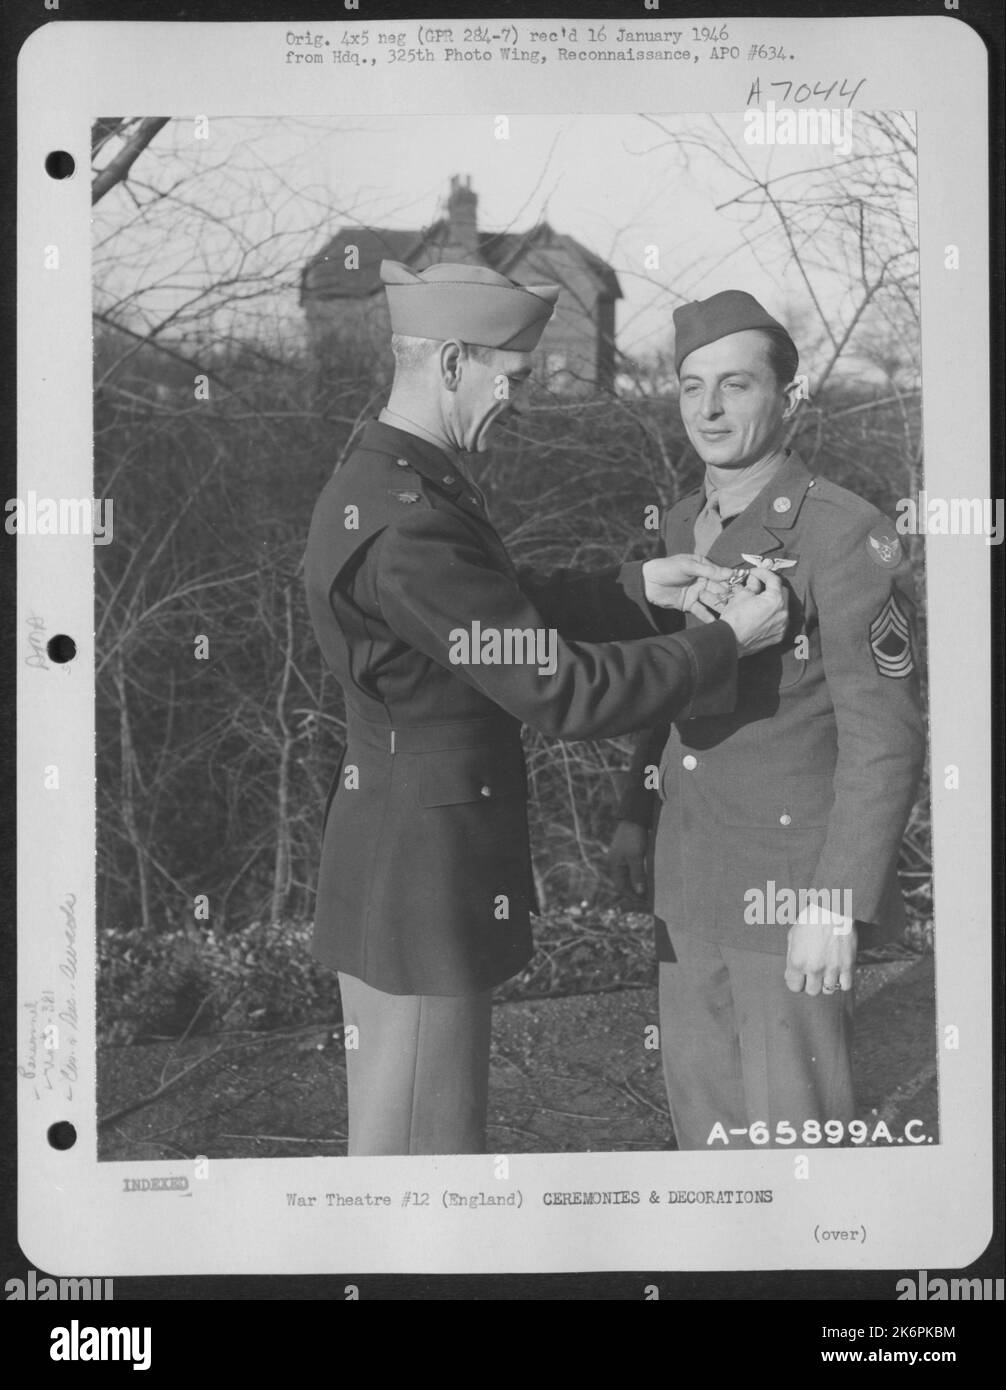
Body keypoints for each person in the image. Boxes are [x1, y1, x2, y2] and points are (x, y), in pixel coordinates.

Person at [303, 262, 788, 1155]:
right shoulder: (413, 523)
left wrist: (637, 586)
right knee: (420, 1162)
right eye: (510, 379)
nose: (516, 401)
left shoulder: (391, 478)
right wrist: (726, 642)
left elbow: (495, 611)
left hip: (404, 858)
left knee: (416, 1138)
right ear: (452, 363)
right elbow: (561, 689)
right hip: (424, 885)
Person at [607, 290, 926, 1150]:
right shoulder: (683, 524)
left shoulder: (845, 533)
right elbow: (674, 687)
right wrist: (638, 814)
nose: (708, 410)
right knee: (704, 1135)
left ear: (788, 398)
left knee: (798, 1141)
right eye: (690, 386)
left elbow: (885, 738)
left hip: (790, 883)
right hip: (689, 875)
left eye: (736, 385)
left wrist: (838, 900)